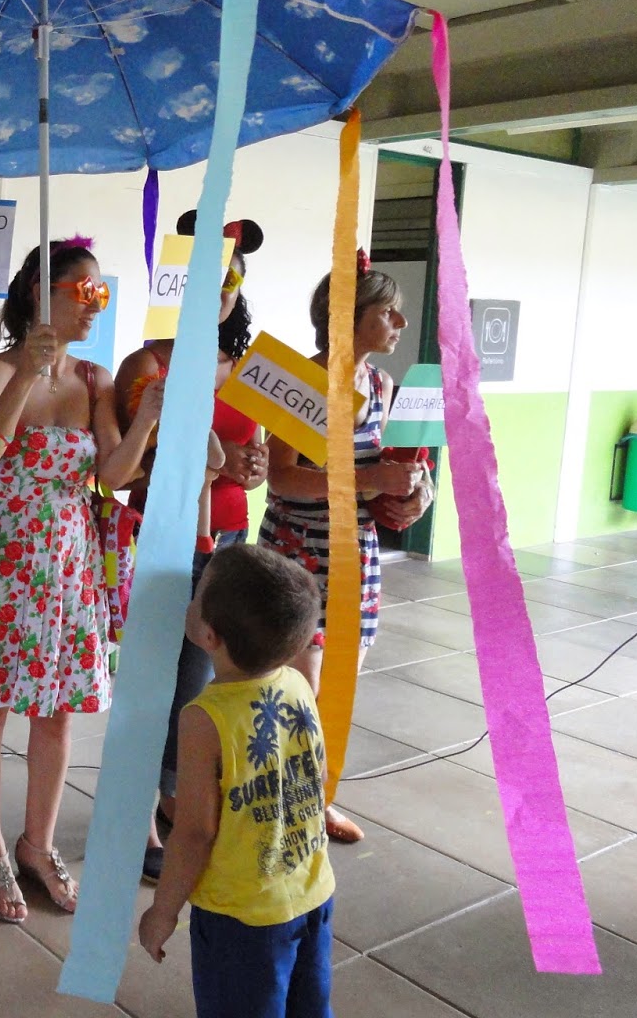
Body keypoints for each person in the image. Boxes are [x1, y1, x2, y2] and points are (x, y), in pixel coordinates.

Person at [0, 239, 154, 925]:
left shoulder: (94, 381)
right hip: (1, 558)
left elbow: (111, 477)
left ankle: (39, 842)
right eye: (83, 292)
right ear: (42, 293)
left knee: (57, 709)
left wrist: (146, 417)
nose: (95, 306)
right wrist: (27, 374)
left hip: (70, 560)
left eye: (101, 294)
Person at [116, 214, 271, 881]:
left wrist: (251, 465)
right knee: (157, 680)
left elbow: (260, 455)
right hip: (167, 537)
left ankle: (178, 797)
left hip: (231, 537)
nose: (221, 289)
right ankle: (138, 812)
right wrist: (203, 460)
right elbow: (129, 466)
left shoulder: (247, 365)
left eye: (232, 277)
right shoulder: (148, 365)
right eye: (208, 274)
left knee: (202, 678)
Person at [257, 251, 430, 844]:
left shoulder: (383, 384)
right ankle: (280, 805)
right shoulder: (299, 381)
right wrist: (369, 481)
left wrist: (414, 493)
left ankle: (316, 797)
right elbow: (282, 478)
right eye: (389, 312)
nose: (400, 325)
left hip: (357, 556)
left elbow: (401, 469)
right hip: (298, 555)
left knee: (338, 689)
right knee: (297, 685)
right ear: (348, 318)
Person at [138, 544, 335, 1018]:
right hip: (313, 891)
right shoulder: (296, 683)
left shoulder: (204, 719)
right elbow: (316, 775)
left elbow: (193, 832)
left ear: (209, 634)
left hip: (241, 917)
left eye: (198, 591)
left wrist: (163, 912)